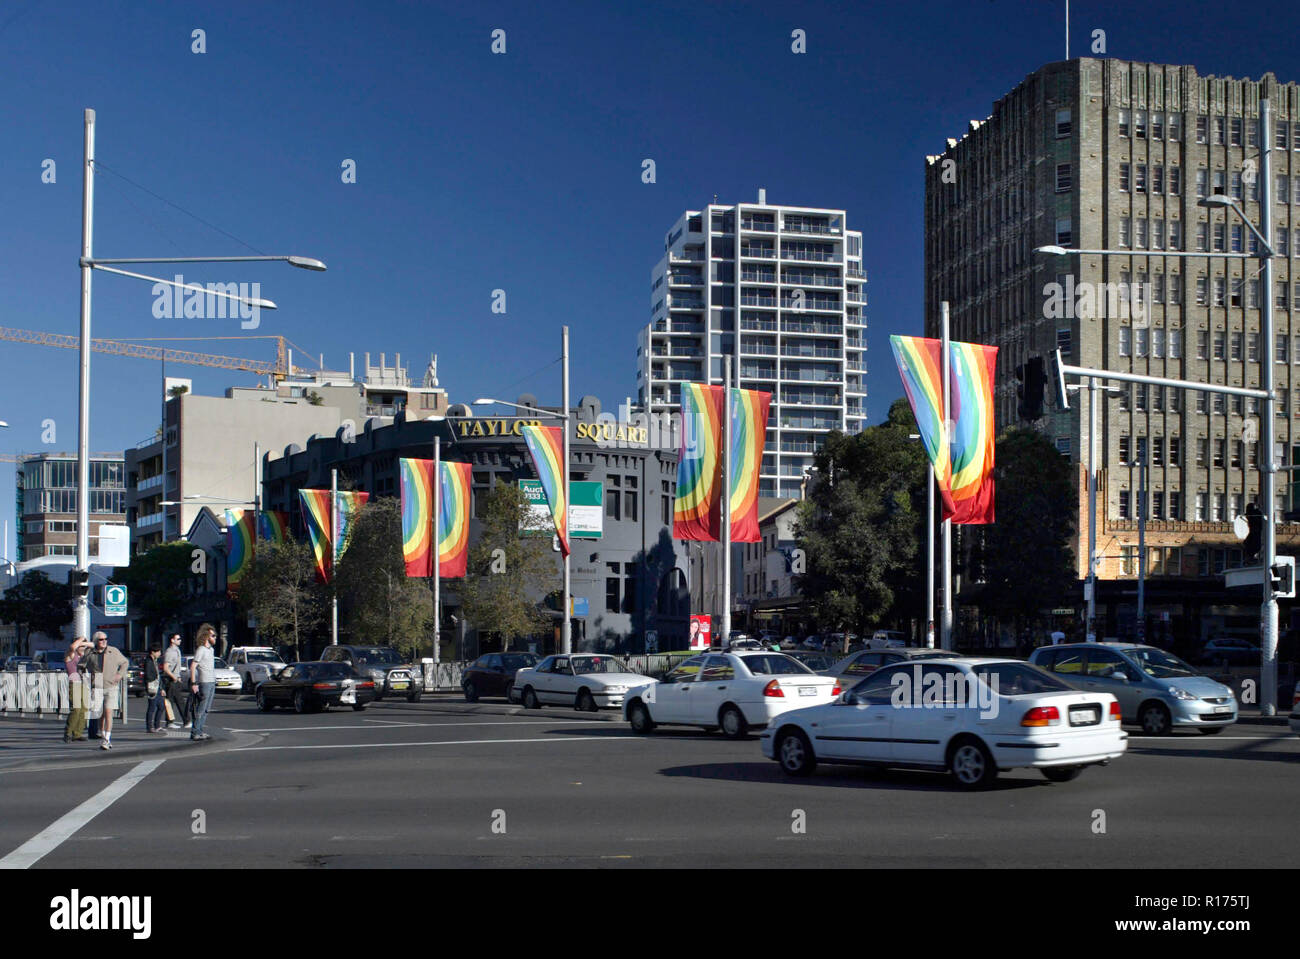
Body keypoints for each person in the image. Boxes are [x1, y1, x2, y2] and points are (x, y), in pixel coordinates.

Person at [85, 632, 128, 751]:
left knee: (109, 712)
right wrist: (86, 678)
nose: (104, 641)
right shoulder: (90, 653)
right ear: (95, 641)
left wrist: (119, 674)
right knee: (100, 714)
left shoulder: (113, 651)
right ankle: (103, 735)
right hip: (97, 686)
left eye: (105, 639)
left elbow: (125, 662)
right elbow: (81, 666)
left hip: (111, 686)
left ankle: (107, 739)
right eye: (101, 639)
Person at [189, 623, 217, 741]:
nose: (215, 638)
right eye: (213, 636)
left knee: (206, 709)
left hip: (212, 681)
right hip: (204, 682)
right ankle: (195, 732)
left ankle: (200, 731)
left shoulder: (211, 650)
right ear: (206, 636)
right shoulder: (201, 650)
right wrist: (194, 683)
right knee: (201, 708)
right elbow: (193, 666)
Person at [62, 637, 92, 743]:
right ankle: (68, 732)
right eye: (81, 646)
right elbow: (72, 647)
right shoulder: (71, 655)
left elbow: (94, 645)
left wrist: (85, 643)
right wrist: (81, 639)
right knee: (76, 709)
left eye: (84, 646)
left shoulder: (83, 656)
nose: (83, 647)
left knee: (84, 709)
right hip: (74, 684)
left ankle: (77, 733)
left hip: (83, 683)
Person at [161, 632, 188, 730]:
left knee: (176, 701)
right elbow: (165, 668)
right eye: (178, 639)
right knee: (175, 702)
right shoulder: (170, 652)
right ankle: (181, 721)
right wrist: (174, 677)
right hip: (171, 680)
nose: (180, 640)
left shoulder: (177, 650)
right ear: (172, 640)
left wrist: (178, 676)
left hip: (175, 680)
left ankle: (182, 721)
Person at [144, 642, 167, 733]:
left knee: (161, 706)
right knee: (152, 707)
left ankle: (157, 725)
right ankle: (149, 727)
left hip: (157, 687)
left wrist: (161, 688)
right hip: (152, 688)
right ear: (153, 652)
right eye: (158, 651)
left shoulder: (155, 661)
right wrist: (155, 677)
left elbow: (158, 675)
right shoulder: (148, 661)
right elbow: (148, 675)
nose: (160, 653)